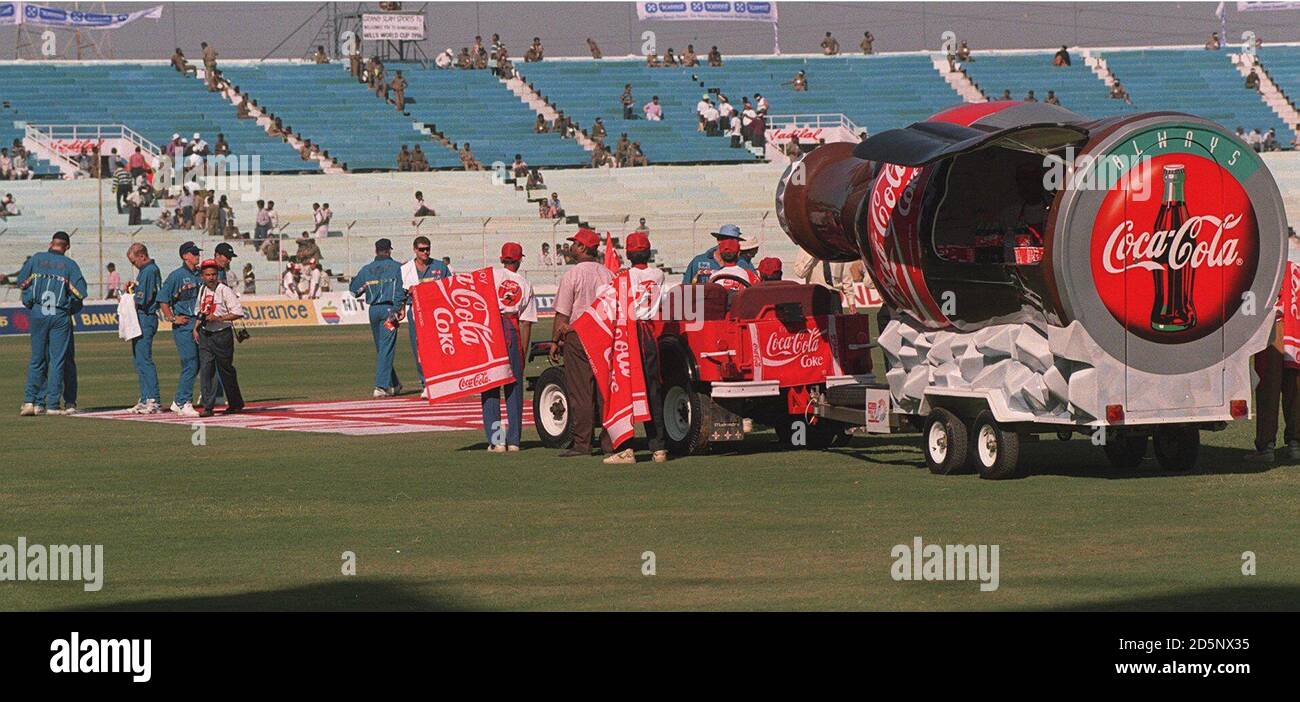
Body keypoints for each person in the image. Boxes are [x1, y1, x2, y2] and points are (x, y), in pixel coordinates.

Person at [550, 228, 615, 458]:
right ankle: (610, 441)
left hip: (579, 334)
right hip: (605, 333)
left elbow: (562, 315)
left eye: (575, 244)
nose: (571, 247)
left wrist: (555, 341)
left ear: (583, 248)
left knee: (581, 391)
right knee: (605, 391)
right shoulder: (608, 274)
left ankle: (582, 443)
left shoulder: (573, 275)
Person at [17, 232, 86, 417]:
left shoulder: (37, 259)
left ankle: (31, 402)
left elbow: (22, 282)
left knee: (37, 359)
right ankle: (53, 404)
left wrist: (31, 300)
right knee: (58, 359)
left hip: (39, 312)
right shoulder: (70, 265)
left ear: (51, 243)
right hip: (59, 314)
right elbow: (80, 293)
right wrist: (68, 303)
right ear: (67, 247)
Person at [615, 231, 668, 464]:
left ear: (628, 254)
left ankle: (626, 448)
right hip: (649, 333)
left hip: (629, 333)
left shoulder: (623, 277)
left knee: (625, 390)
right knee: (653, 389)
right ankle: (659, 448)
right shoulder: (659, 274)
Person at [484, 242, 538, 452]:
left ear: (501, 259)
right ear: (520, 260)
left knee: (490, 387)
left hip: (491, 329)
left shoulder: (490, 277)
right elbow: (526, 323)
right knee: (514, 387)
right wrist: (522, 353)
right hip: (512, 327)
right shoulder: (525, 284)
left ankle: (497, 440)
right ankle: (514, 440)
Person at [350, 238, 407, 397]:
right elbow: (402, 290)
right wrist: (398, 308)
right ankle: (381, 386)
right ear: (389, 250)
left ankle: (394, 384)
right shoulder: (398, 267)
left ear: (376, 251)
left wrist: (368, 286)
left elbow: (354, 291)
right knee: (385, 348)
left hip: (373, 311)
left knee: (382, 349)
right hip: (390, 311)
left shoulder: (366, 269)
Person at [193, 259, 245, 417]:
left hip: (222, 334)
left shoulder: (224, 290)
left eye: (213, 274)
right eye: (207, 274)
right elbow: (199, 311)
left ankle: (235, 403)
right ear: (202, 276)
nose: (211, 277)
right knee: (206, 370)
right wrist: (195, 328)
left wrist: (218, 318)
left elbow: (237, 312)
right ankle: (208, 407)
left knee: (225, 370)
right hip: (205, 334)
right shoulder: (202, 290)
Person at [400, 236, 452, 388]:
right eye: (422, 249)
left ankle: (441, 379)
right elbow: (400, 292)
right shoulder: (406, 269)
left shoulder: (440, 266)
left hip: (436, 311)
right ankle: (426, 382)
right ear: (415, 250)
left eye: (427, 249)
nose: (425, 252)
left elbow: (449, 286)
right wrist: (402, 307)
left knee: (438, 346)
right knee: (419, 348)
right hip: (416, 311)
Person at [159, 241, 204, 417]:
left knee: (197, 363)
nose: (197, 256)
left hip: (198, 324)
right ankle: (185, 401)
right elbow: (163, 299)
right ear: (185, 256)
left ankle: (178, 401)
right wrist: (172, 318)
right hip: (184, 324)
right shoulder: (176, 276)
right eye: (193, 253)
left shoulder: (200, 275)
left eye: (197, 253)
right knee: (190, 363)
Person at [124, 243, 162, 414]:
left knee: (144, 359)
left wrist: (129, 297)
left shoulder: (149, 270)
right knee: (139, 359)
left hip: (146, 317)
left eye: (134, 261)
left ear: (141, 256)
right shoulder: (144, 271)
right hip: (140, 318)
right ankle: (145, 397)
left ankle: (153, 399)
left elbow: (143, 298)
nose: (134, 265)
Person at [682, 223, 756, 284]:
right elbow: (685, 289)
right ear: (719, 240)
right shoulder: (698, 261)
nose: (729, 243)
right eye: (725, 239)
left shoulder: (744, 263)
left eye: (733, 240)